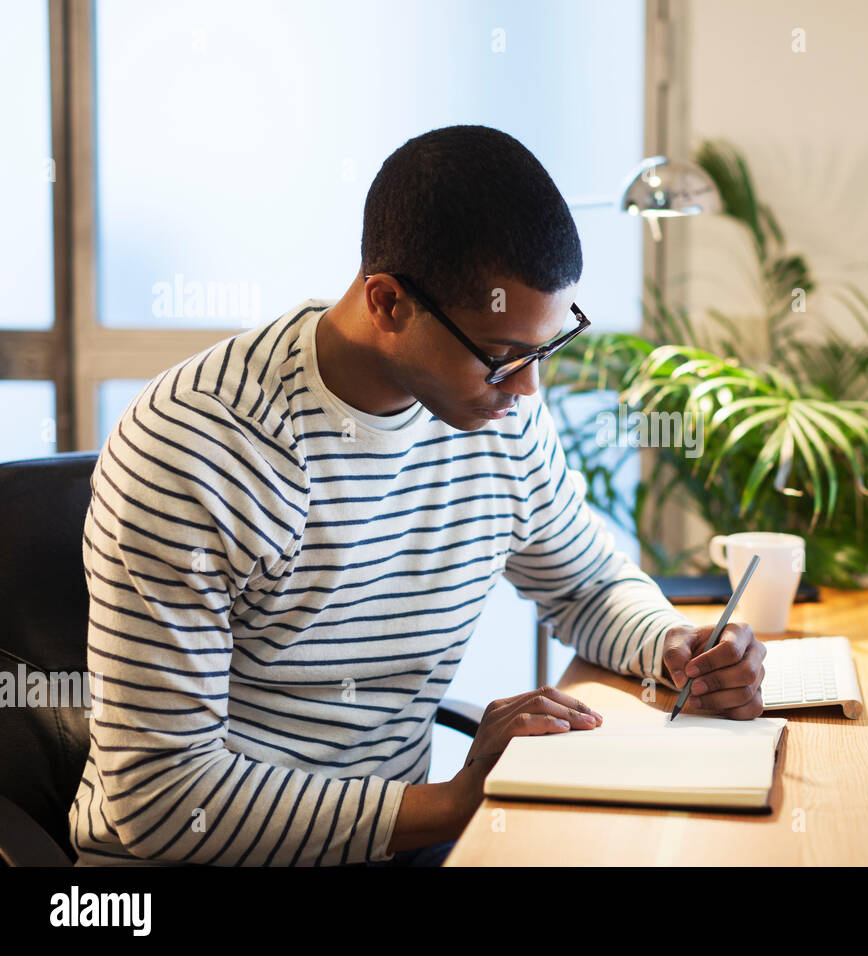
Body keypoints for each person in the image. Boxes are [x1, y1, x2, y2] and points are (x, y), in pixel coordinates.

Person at [69, 125, 766, 866]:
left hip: (390, 844)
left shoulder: (499, 418)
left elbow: (586, 586)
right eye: (502, 357)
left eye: (545, 347)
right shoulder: (199, 447)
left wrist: (675, 647)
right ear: (389, 303)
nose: (530, 388)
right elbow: (163, 802)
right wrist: (456, 802)